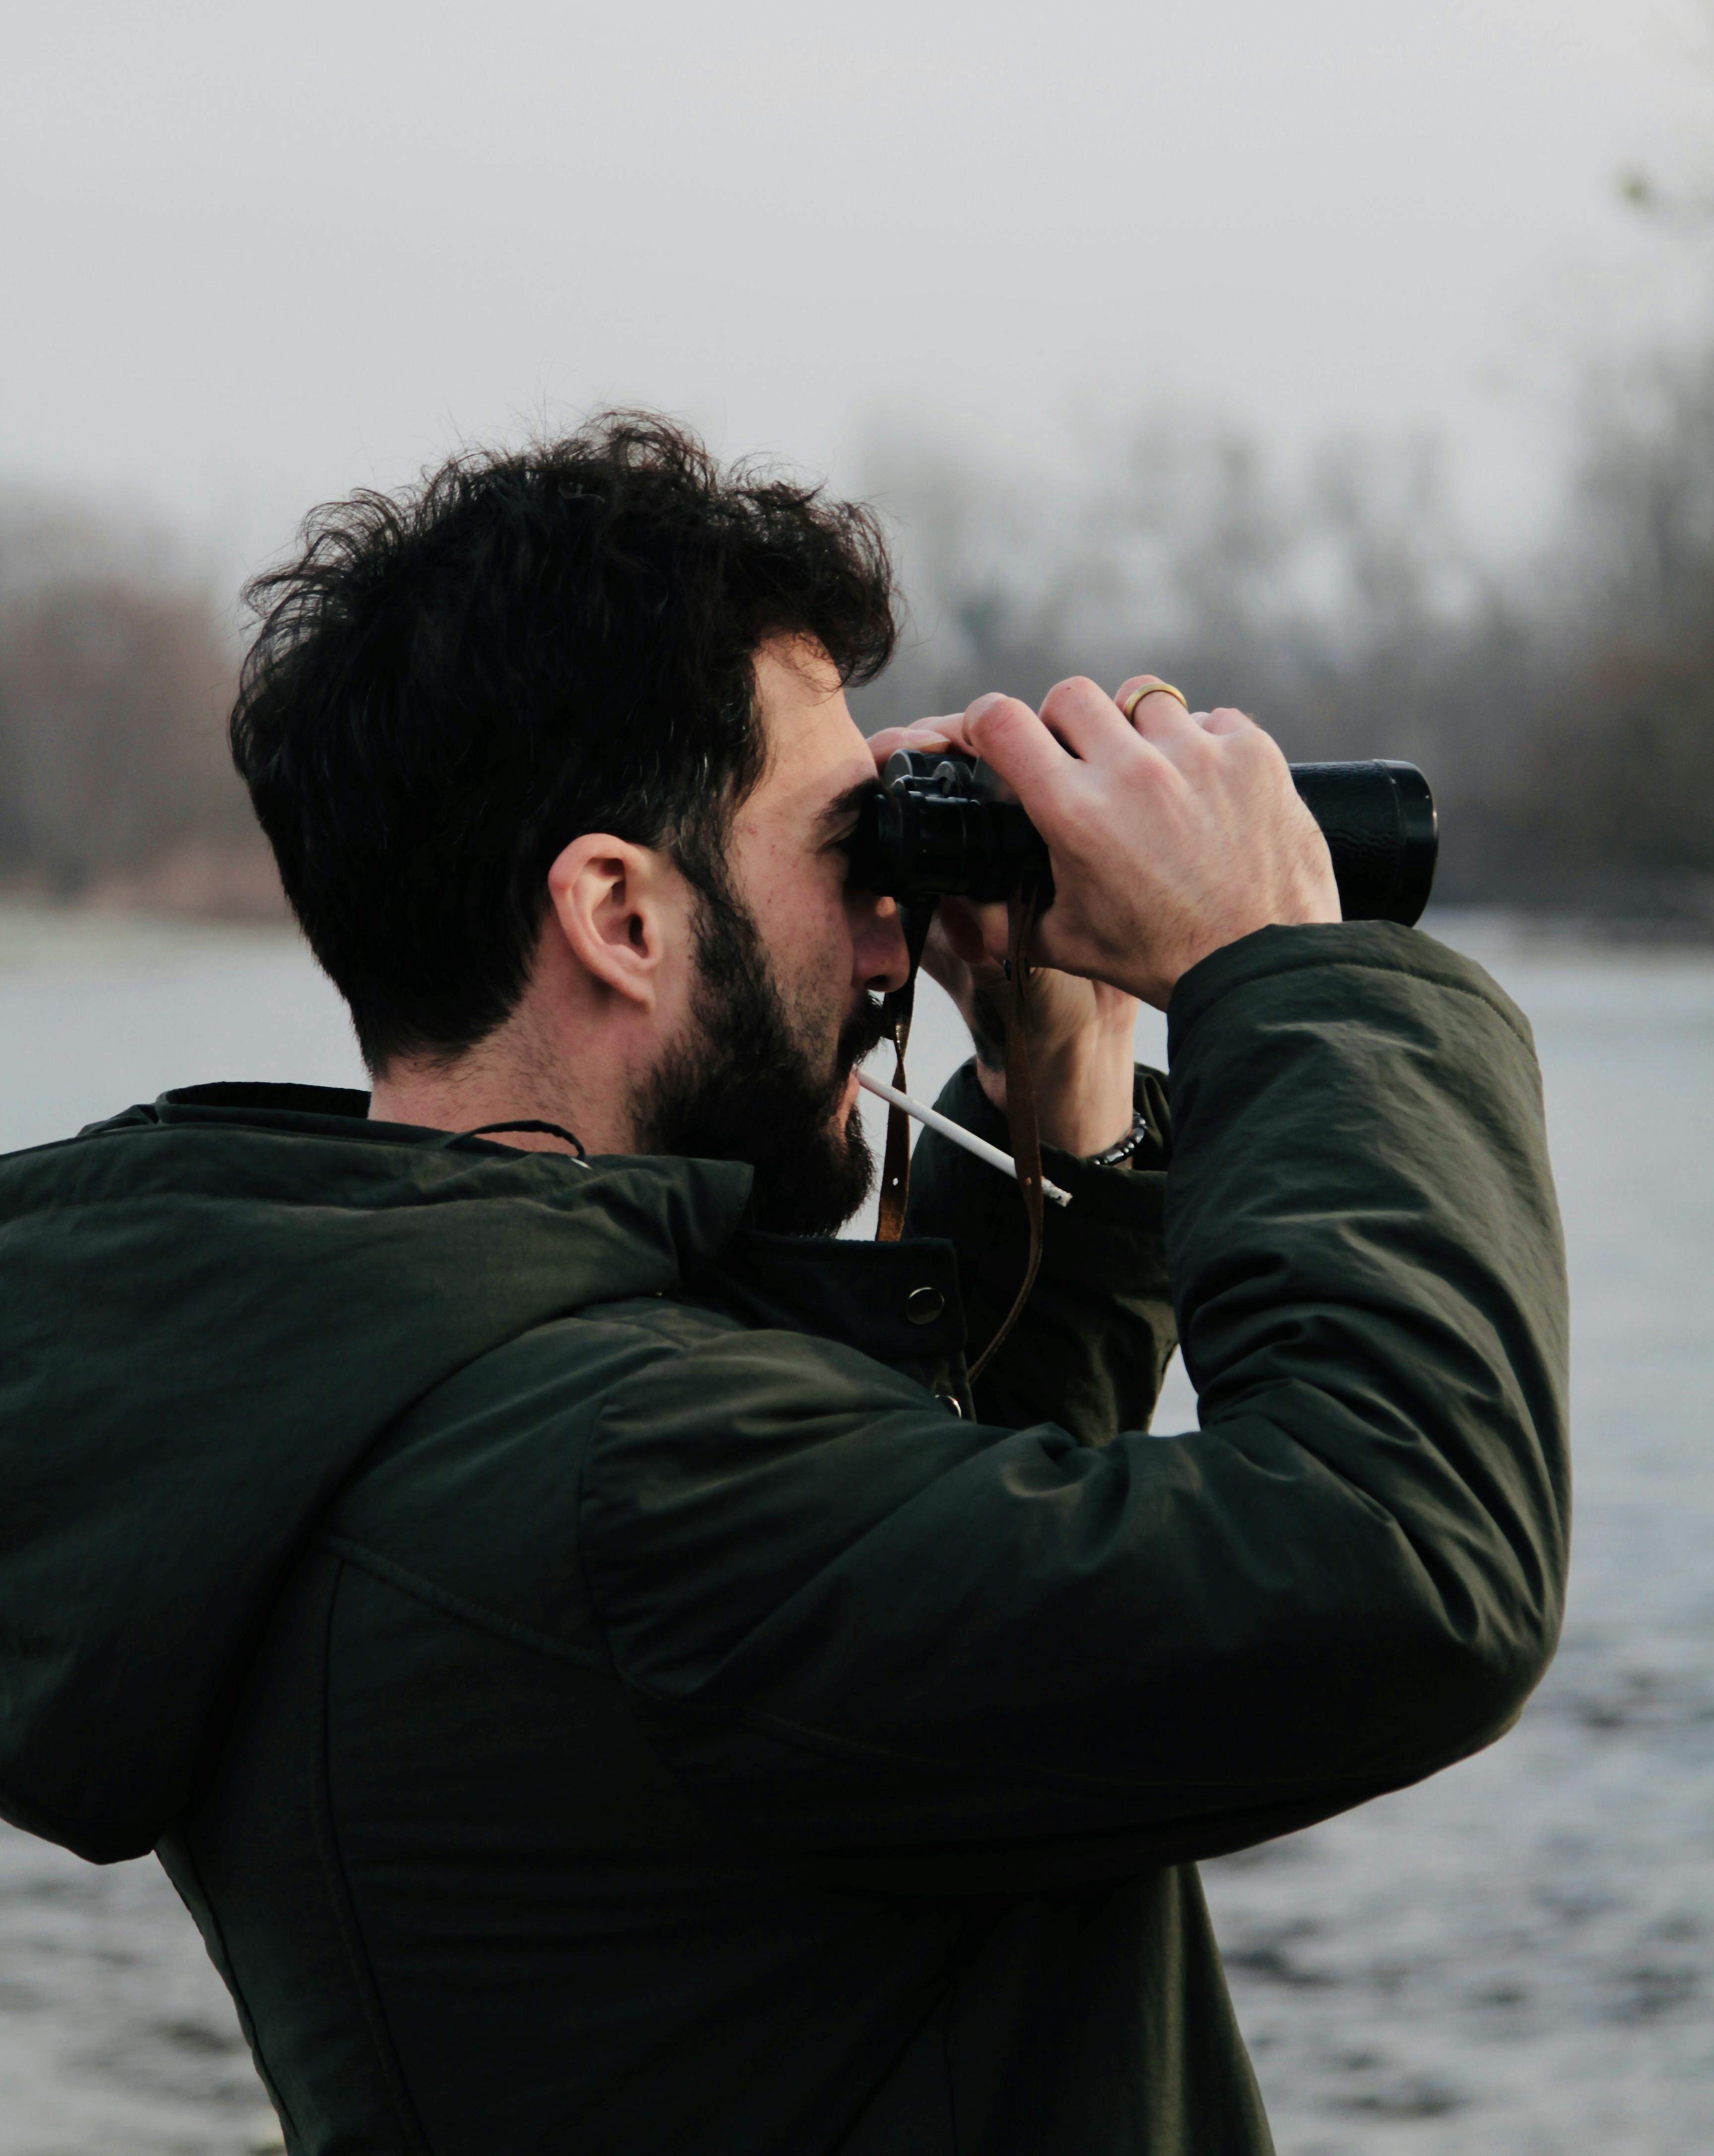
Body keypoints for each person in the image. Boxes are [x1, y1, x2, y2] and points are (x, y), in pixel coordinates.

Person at [0, 416, 1569, 2156]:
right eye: (850, 855)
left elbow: (954, 1655)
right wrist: (1280, 971)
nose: (898, 932)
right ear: (622, 913)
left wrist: (1068, 1123)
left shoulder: (360, 1388)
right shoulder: (627, 1475)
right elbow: (1408, 1569)